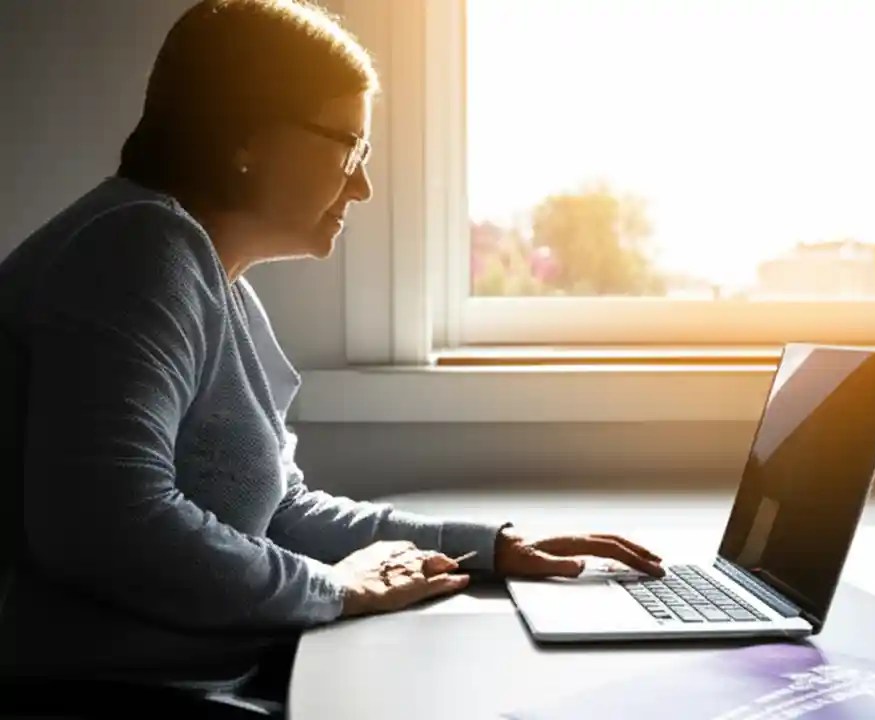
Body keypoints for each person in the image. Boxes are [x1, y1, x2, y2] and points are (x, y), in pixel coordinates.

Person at [0, 0, 664, 709]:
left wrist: (488, 545)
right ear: (244, 135)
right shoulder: (136, 250)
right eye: (349, 146)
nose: (363, 184)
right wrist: (338, 589)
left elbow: (280, 509)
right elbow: (108, 525)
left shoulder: (212, 277)